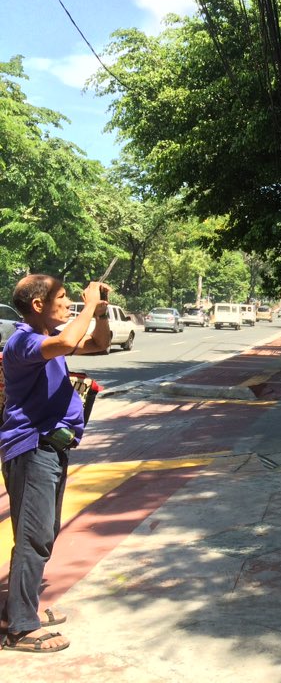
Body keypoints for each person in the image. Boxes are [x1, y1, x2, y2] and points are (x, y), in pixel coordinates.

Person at [0, 275, 111, 653]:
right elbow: (66, 341)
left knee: (41, 533)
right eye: (62, 298)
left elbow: (99, 344)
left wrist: (101, 314)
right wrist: (91, 300)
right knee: (33, 536)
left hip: (49, 450)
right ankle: (19, 628)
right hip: (31, 449)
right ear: (38, 305)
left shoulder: (47, 340)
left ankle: (16, 609)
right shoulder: (25, 342)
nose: (69, 304)